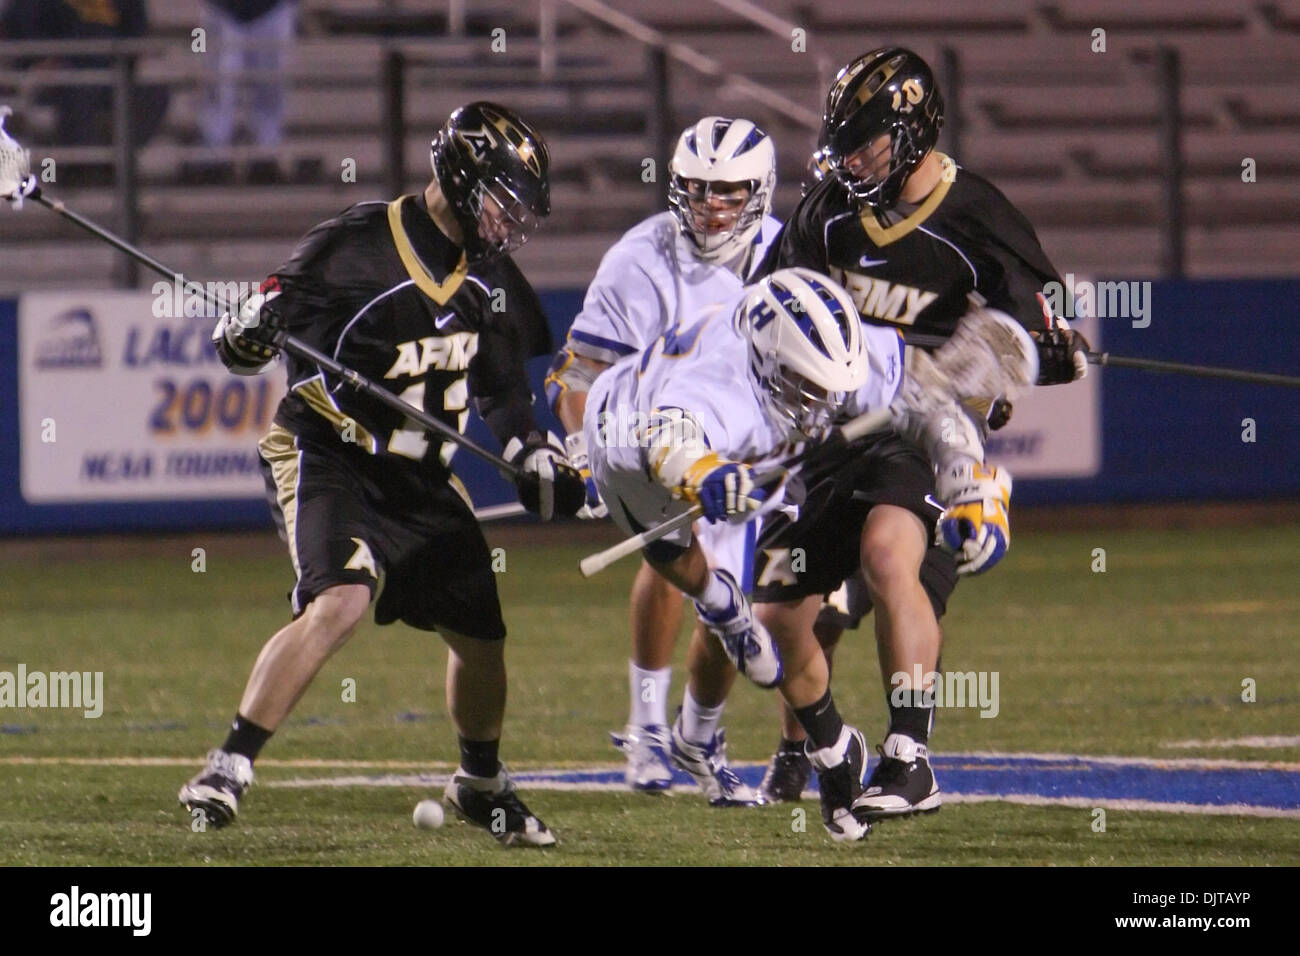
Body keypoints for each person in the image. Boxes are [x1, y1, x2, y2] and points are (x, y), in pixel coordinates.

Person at [178, 101, 585, 847]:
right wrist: (246, 331)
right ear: (463, 181)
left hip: (422, 479)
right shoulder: (353, 247)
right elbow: (238, 342)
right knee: (339, 601)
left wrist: (533, 452)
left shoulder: (488, 275)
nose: (509, 220)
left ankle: (480, 783)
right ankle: (229, 764)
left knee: (482, 639)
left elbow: (501, 390)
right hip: (330, 455)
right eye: (502, 199)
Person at [750, 47, 1088, 822]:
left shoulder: (977, 217)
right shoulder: (829, 211)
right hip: (835, 429)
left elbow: (1038, 336)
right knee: (787, 619)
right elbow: (770, 306)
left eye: (866, 142)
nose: (852, 159)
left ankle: (909, 759)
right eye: (846, 143)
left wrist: (1039, 353)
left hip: (925, 432)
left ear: (912, 135)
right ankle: (823, 748)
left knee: (887, 554)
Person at [583, 267, 902, 820]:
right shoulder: (720, 392)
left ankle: (696, 738)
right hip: (628, 440)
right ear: (768, 363)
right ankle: (719, 603)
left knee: (739, 612)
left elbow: (912, 371)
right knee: (700, 577)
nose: (821, 405)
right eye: (808, 385)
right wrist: (705, 474)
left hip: (721, 447)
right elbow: (668, 442)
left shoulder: (810, 345)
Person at [545, 116, 782, 803]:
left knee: (739, 602)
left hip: (753, 443)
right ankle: (647, 727)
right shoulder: (641, 258)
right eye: (698, 189)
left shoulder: (789, 253)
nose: (711, 206)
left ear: (760, 193)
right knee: (672, 545)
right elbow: (581, 375)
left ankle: (701, 735)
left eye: (729, 193)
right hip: (665, 442)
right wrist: (587, 453)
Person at [198, 0, 297, 183]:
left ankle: (267, 153)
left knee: (270, 86)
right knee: (221, 87)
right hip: (224, 8)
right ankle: (213, 155)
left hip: (274, 8)